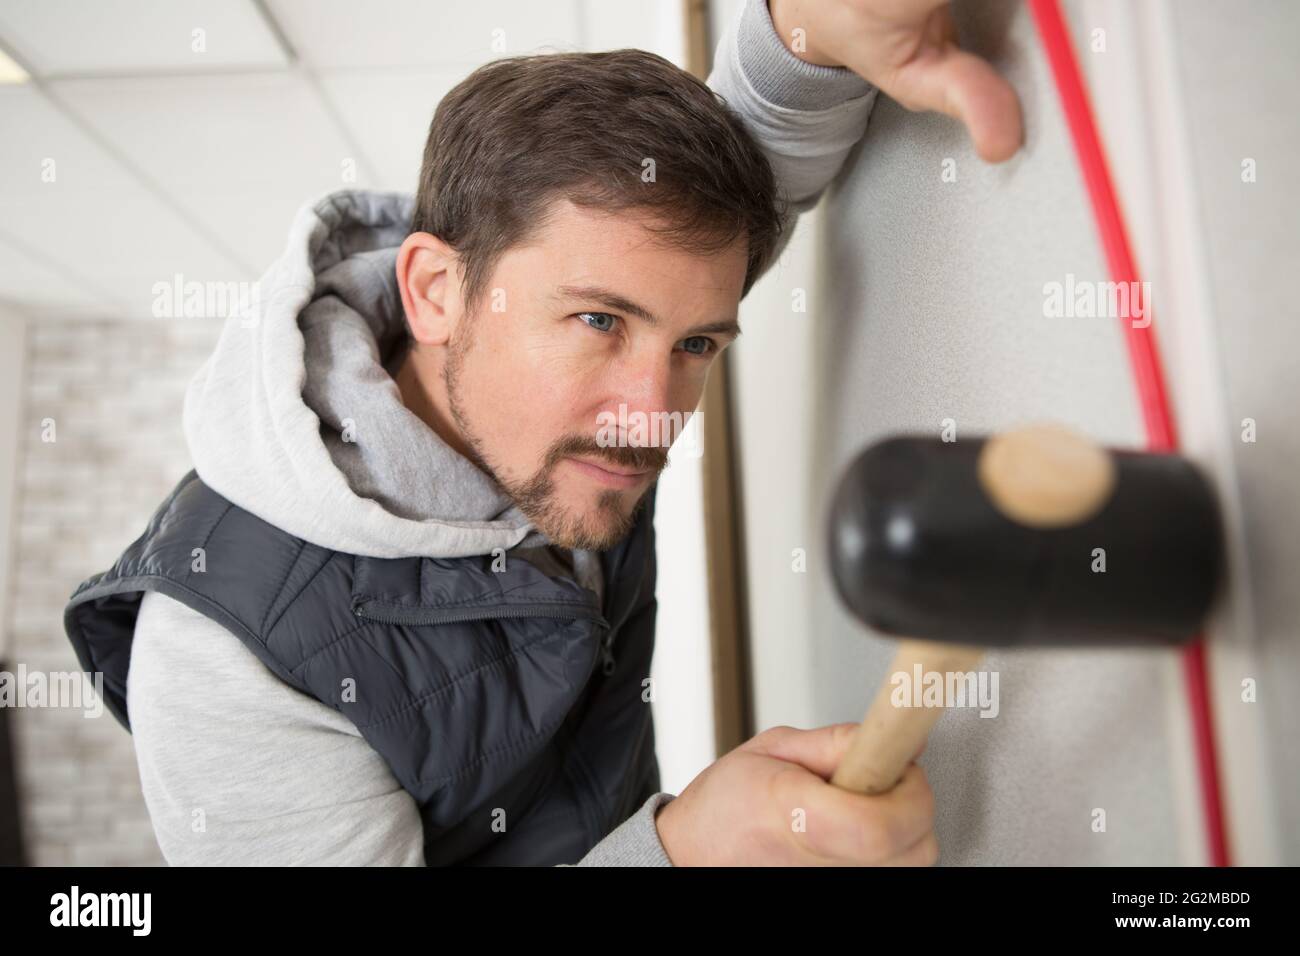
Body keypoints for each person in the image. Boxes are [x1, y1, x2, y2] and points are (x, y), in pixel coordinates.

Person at [63, 0, 1021, 865]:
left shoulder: (553, 338)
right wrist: (679, 856)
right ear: (437, 293)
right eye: (599, 324)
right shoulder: (223, 664)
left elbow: (724, 193)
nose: (653, 410)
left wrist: (808, 33)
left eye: (695, 344)